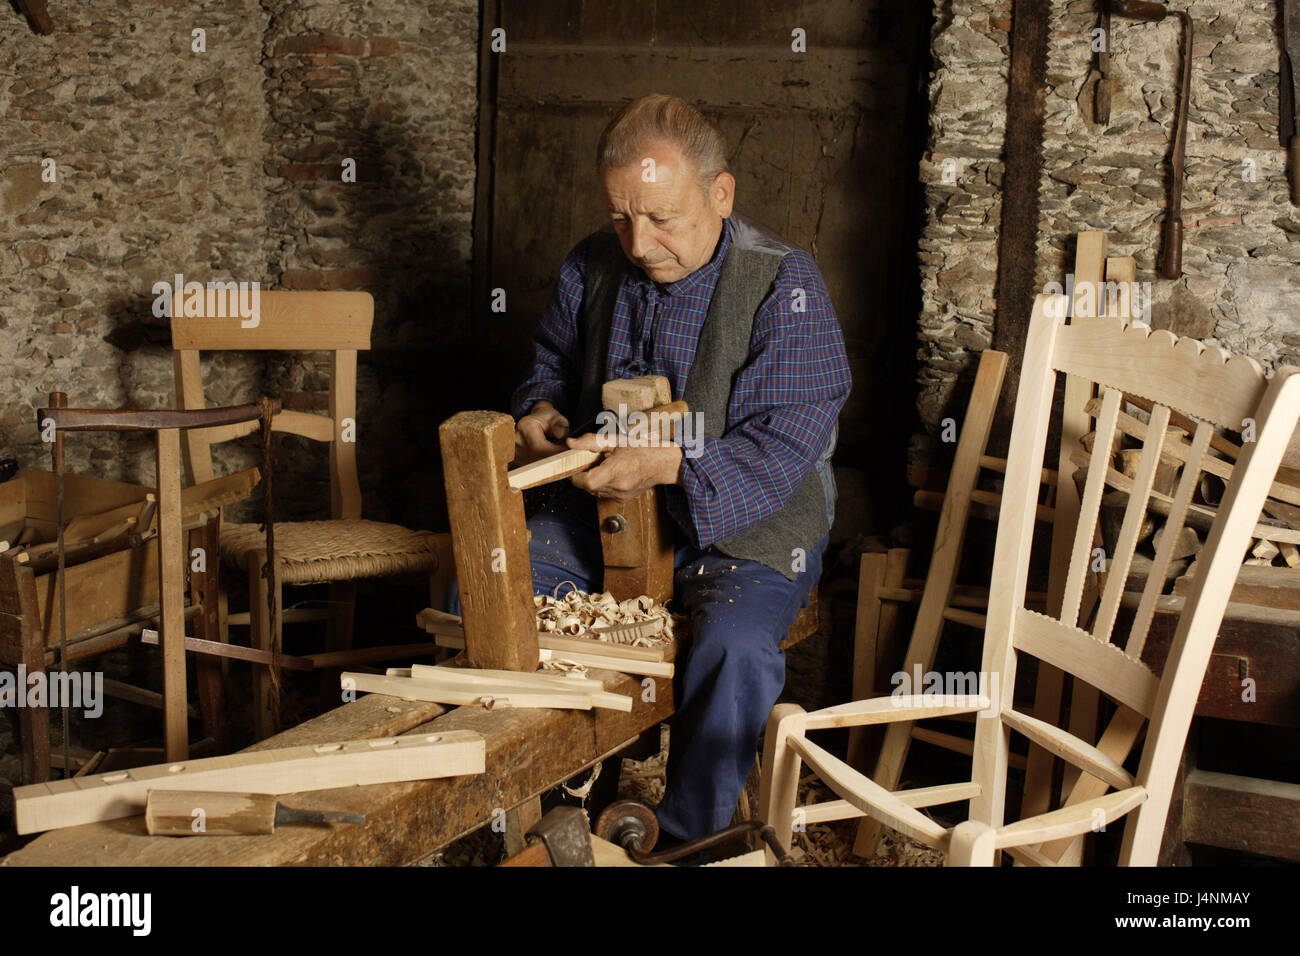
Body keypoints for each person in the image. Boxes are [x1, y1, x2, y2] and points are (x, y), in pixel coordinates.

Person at [453, 94, 851, 844]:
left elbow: (784, 443)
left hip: (747, 523)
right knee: (491, 593)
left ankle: (681, 842)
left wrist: (670, 463)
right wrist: (540, 410)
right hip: (602, 512)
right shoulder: (590, 264)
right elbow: (550, 364)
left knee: (734, 650)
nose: (639, 243)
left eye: (663, 218)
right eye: (621, 219)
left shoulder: (784, 283)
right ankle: (552, 817)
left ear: (720, 194)